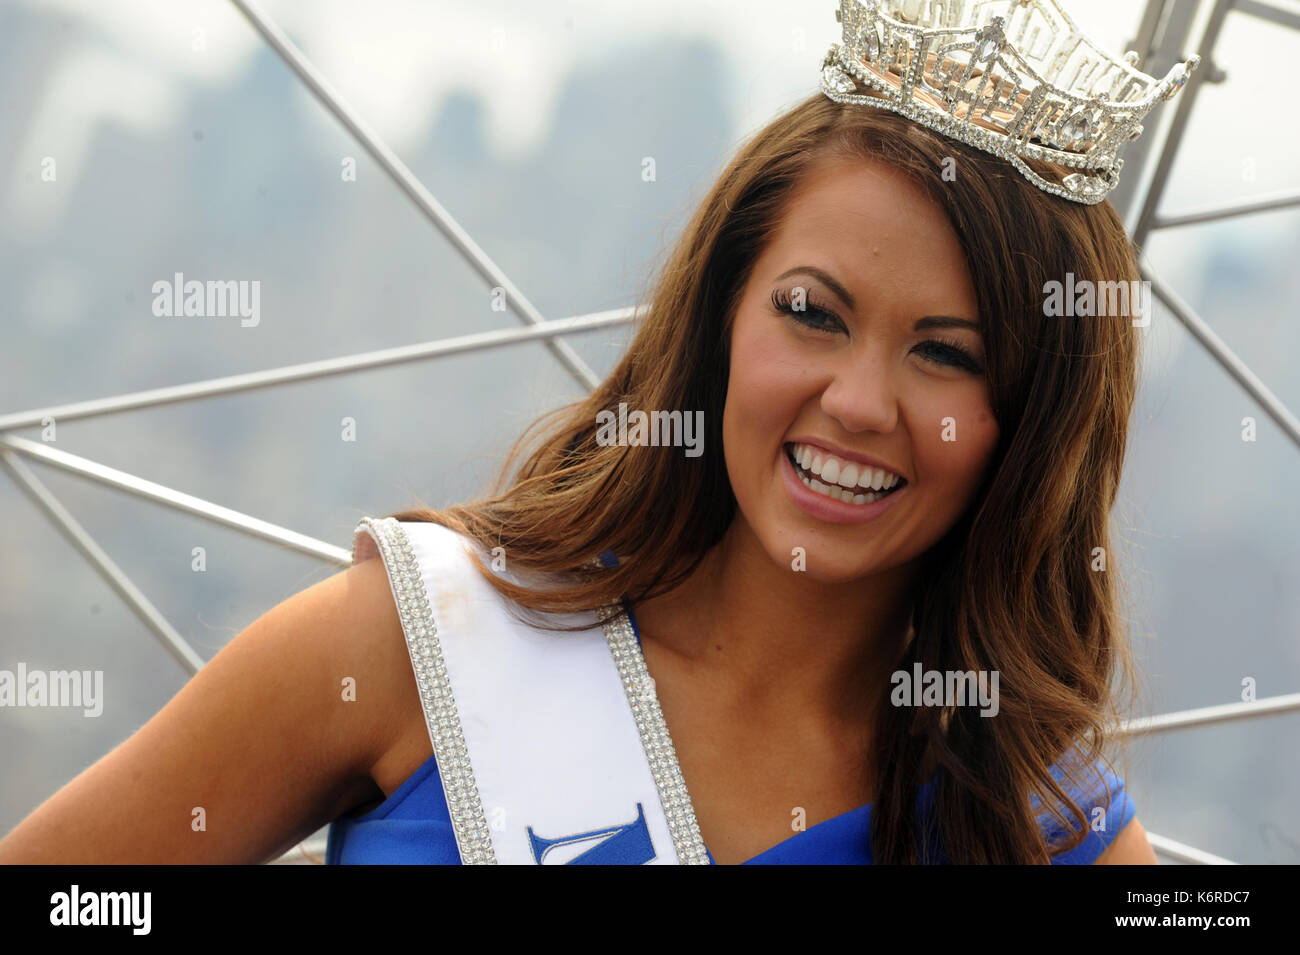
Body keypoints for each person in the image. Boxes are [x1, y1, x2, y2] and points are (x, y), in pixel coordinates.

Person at [0, 1, 1187, 865]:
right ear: (722, 316)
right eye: (811, 314)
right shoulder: (416, 638)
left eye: (947, 352)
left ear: (1025, 422)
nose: (860, 402)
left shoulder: (1044, 832)